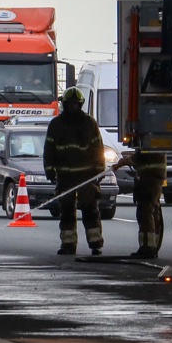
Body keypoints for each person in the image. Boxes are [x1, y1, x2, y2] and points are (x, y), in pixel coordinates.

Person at [44, 87, 106, 256]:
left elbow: (98, 148)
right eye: (69, 104)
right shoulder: (56, 124)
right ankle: (68, 244)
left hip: (87, 176)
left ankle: (95, 243)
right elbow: (49, 149)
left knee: (91, 210)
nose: (72, 107)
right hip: (65, 177)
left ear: (80, 105)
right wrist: (49, 170)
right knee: (66, 211)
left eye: (75, 104)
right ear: (64, 104)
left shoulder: (89, 123)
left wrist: (99, 171)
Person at [129, 145, 167, 259]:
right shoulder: (155, 138)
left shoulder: (149, 139)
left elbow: (144, 154)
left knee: (146, 211)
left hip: (149, 177)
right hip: (152, 176)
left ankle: (147, 247)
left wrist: (129, 160)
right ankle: (152, 247)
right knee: (151, 210)